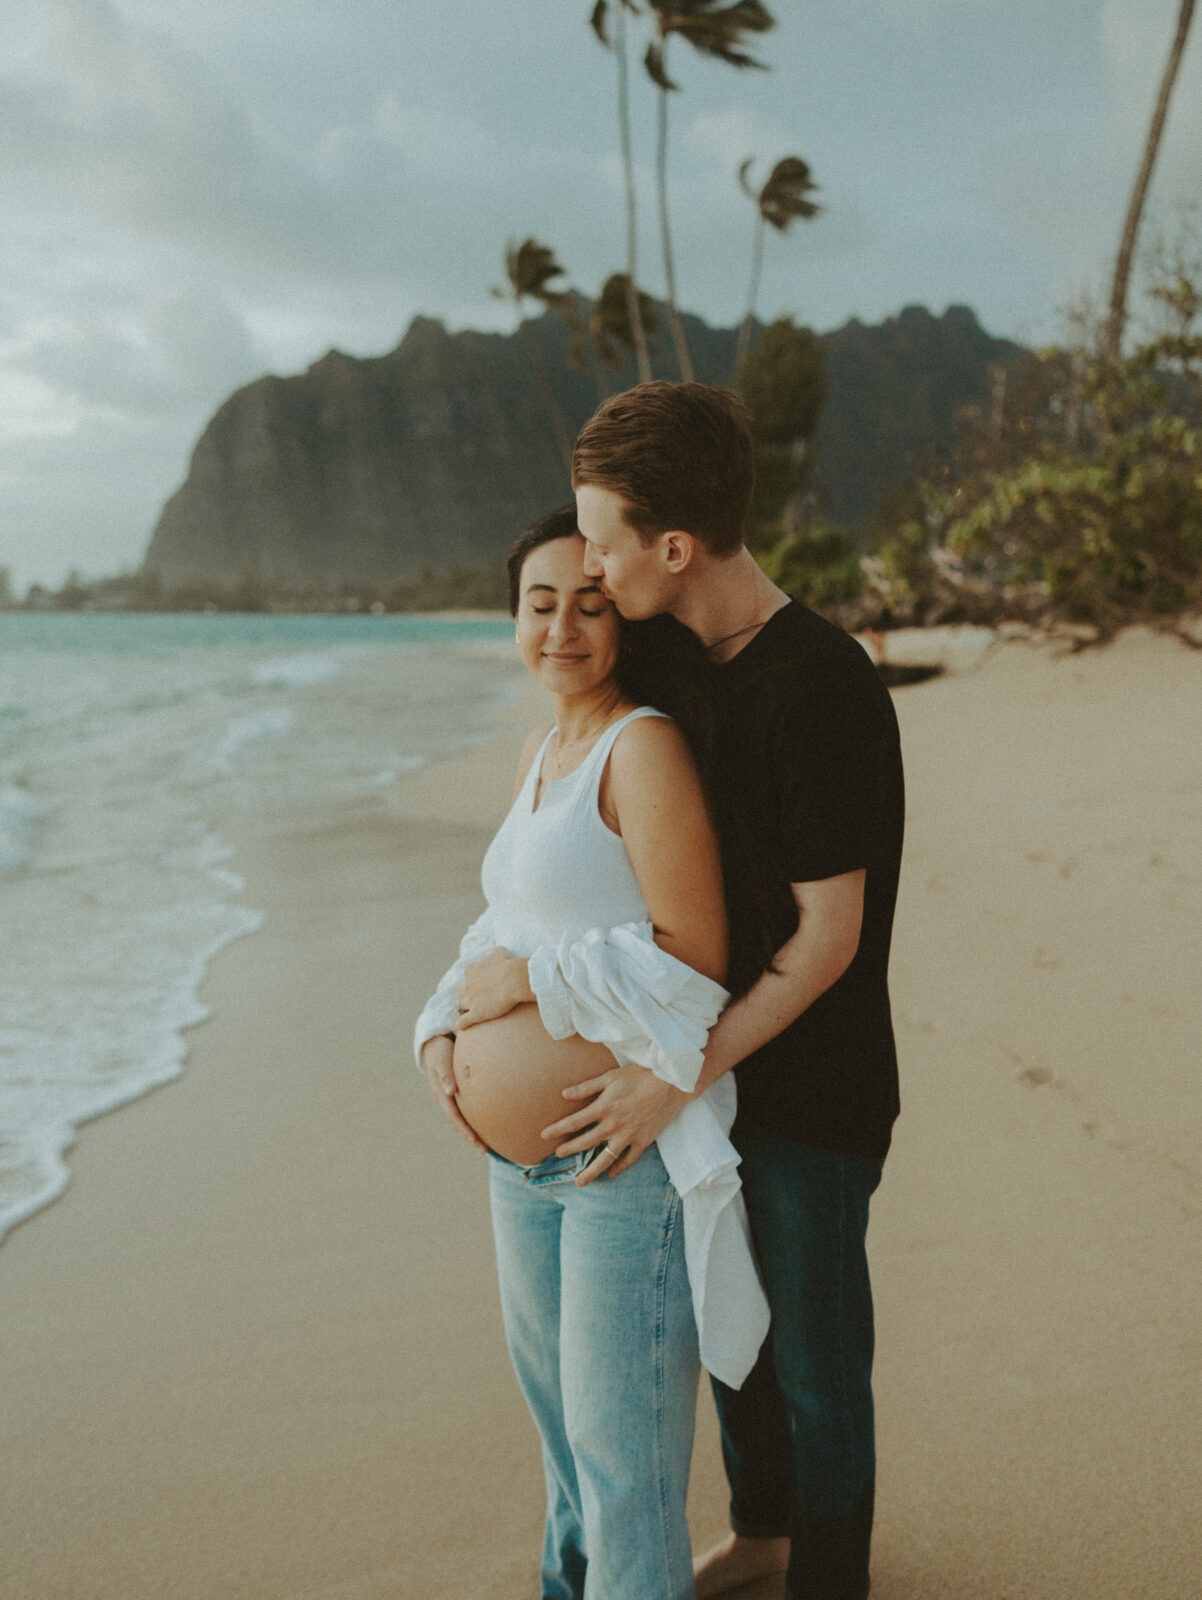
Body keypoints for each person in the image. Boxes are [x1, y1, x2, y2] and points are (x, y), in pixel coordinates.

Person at [471, 383, 905, 1600]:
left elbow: (823, 940)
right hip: (696, 1068)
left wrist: (677, 1069)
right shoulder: (666, 654)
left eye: (603, 541)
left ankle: (826, 1578)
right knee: (729, 1344)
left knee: (814, 1360)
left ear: (671, 547)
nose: (592, 568)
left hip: (808, 1082)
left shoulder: (822, 685)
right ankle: (762, 1533)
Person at [413, 506, 770, 1600]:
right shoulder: (539, 749)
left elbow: (695, 955)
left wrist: (533, 983)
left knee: (624, 1469)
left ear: (623, 620)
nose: (561, 625)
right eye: (538, 602)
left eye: (589, 601)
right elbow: (505, 919)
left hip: (620, 1162)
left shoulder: (641, 745)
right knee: (566, 1447)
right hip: (519, 1168)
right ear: (511, 616)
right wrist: (438, 1025)